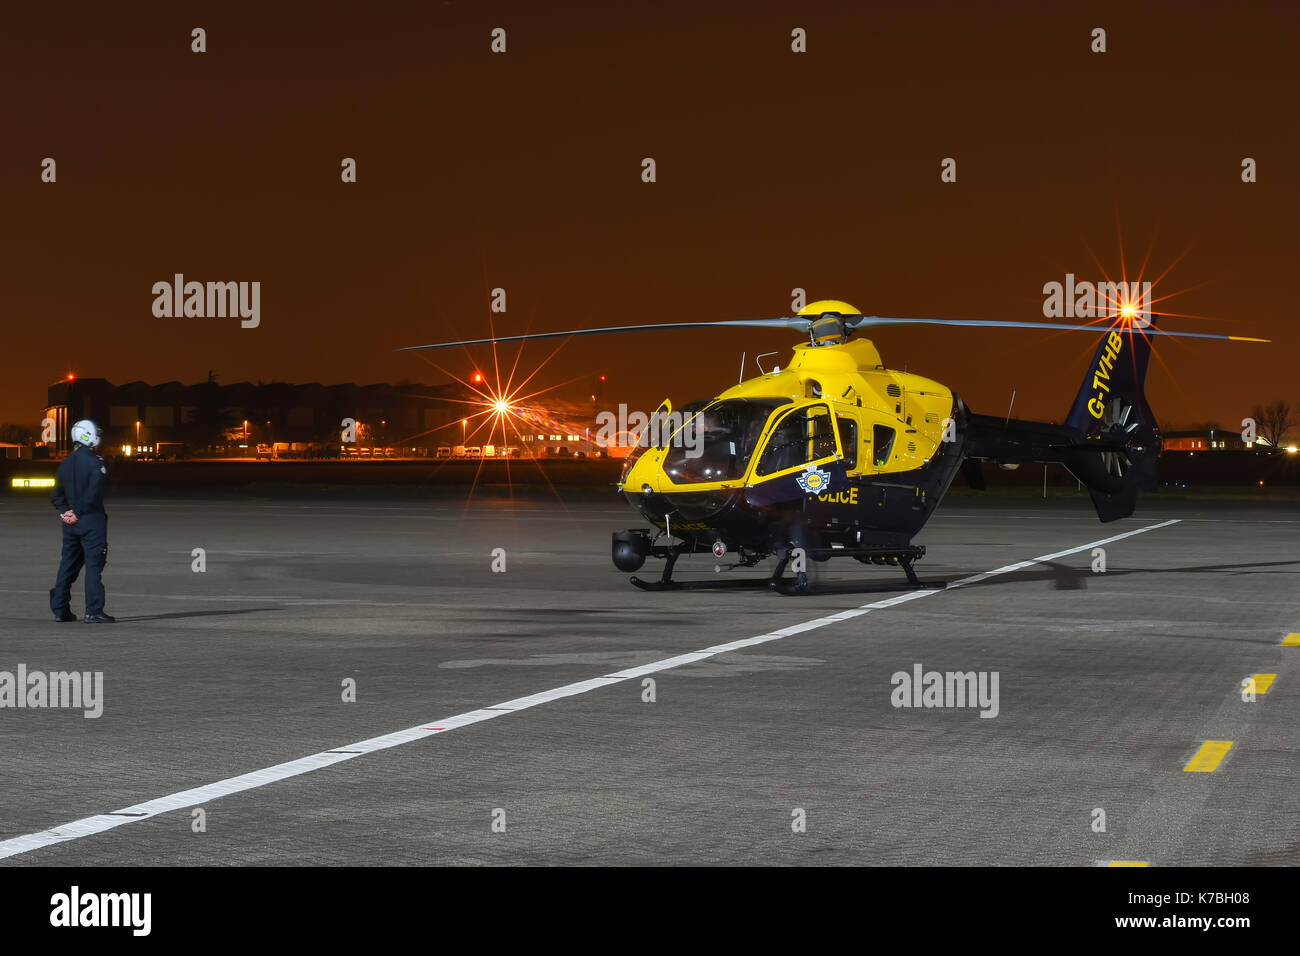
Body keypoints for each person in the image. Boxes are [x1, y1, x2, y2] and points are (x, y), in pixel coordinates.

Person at [49, 419, 115, 623]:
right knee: (94, 567)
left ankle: (60, 609)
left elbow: (56, 494)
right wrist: (77, 511)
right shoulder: (96, 463)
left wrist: (65, 512)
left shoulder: (65, 463)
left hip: (70, 524)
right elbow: (93, 493)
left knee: (67, 564)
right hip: (91, 521)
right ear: (89, 435)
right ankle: (93, 610)